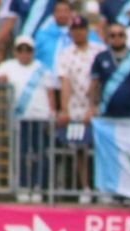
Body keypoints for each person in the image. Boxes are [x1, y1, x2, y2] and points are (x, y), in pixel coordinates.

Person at [0, 34, 58, 203]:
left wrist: (52, 113)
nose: (24, 53)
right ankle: (23, 185)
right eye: (20, 49)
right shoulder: (9, 66)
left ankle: (37, 186)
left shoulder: (42, 69)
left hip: (41, 117)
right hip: (21, 119)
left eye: (28, 50)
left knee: (39, 154)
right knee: (22, 154)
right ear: (15, 51)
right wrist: (0, 79)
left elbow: (51, 94)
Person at [56, 13, 103, 203]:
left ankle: (102, 188)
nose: (78, 33)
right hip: (76, 109)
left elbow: (99, 80)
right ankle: (85, 187)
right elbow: (65, 82)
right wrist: (65, 109)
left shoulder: (98, 51)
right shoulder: (65, 54)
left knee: (101, 149)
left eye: (81, 29)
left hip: (98, 108)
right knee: (81, 149)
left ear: (87, 30)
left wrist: (93, 107)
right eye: (74, 29)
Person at [90, 21, 130, 120]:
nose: (117, 38)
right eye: (113, 35)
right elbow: (94, 84)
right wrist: (91, 107)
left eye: (120, 35)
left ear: (126, 37)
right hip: (107, 111)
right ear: (108, 38)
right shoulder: (100, 58)